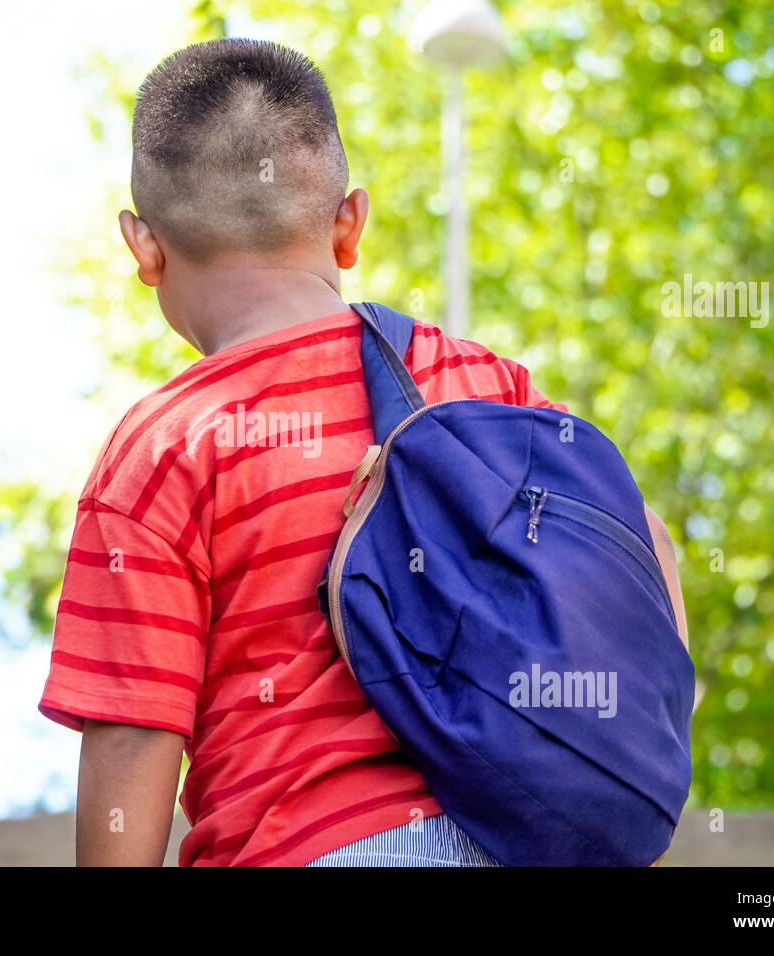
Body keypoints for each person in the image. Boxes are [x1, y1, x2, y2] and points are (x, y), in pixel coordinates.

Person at [37, 37, 687, 866]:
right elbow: (649, 546)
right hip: (522, 841)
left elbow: (134, 734)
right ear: (349, 225)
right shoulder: (483, 384)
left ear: (144, 248)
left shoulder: (164, 450)